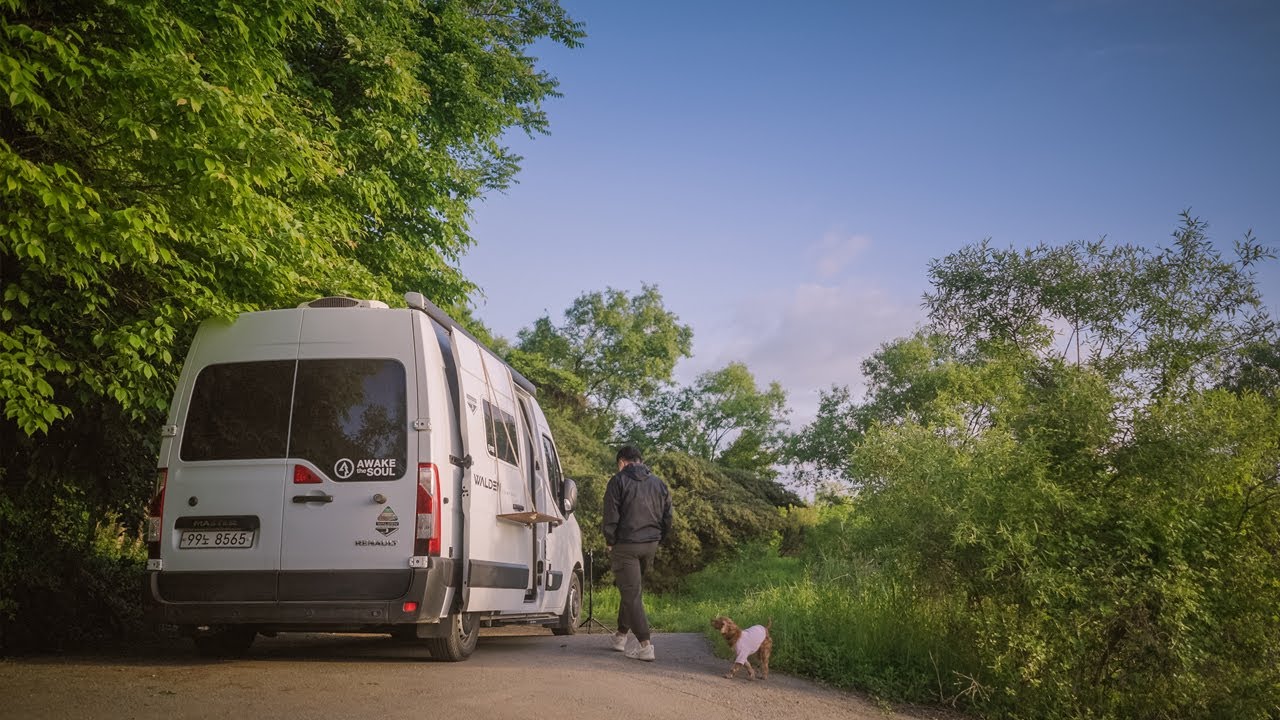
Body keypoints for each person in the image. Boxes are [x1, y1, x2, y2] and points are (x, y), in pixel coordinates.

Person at [603, 444, 673, 662]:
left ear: (623, 462)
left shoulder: (618, 481)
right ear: (640, 461)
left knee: (632, 593)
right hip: (650, 544)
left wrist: (610, 540)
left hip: (626, 546)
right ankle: (621, 636)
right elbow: (667, 517)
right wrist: (658, 538)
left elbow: (611, 515)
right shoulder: (659, 483)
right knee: (632, 590)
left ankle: (645, 646)